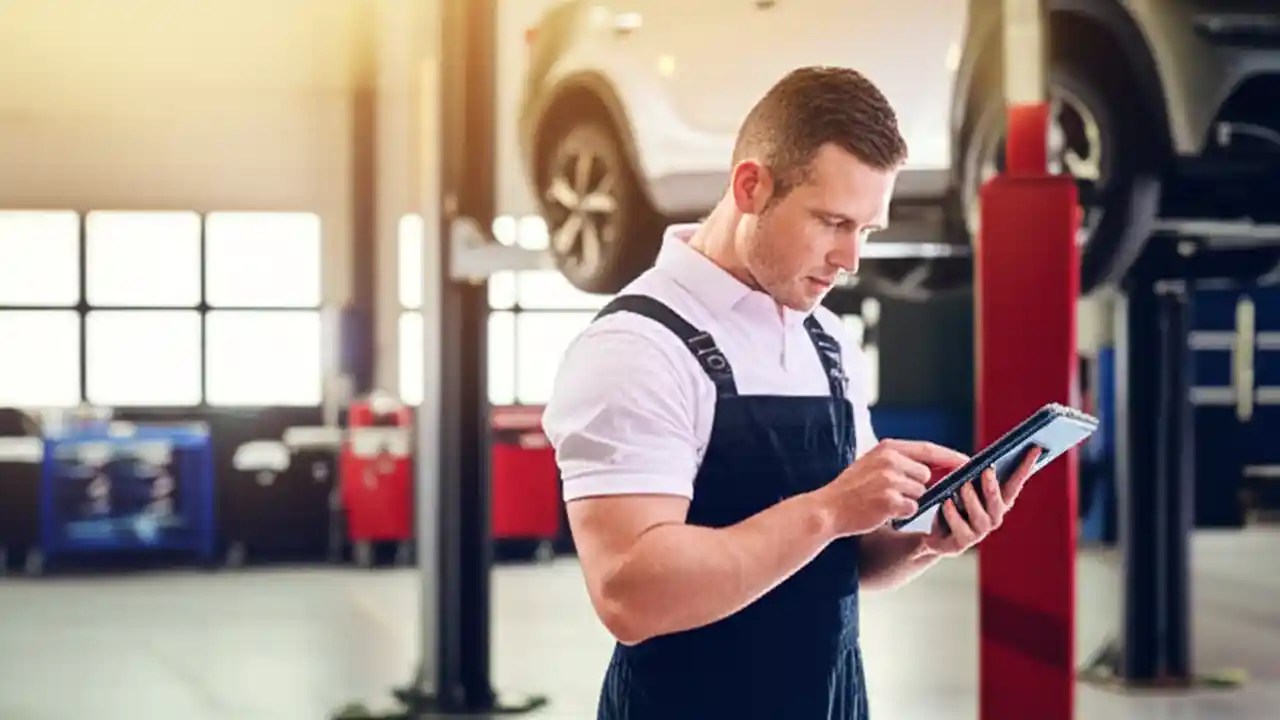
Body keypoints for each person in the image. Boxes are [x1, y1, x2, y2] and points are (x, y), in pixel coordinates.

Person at [542, 66, 1042, 720]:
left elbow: (849, 560)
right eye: (832, 222)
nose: (850, 259)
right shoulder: (637, 347)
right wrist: (830, 509)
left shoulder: (827, 341)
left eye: (866, 230)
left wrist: (926, 538)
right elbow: (630, 596)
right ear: (751, 186)